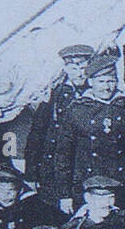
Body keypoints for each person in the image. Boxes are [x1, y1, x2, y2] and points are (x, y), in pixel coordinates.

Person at [53, 53, 125, 215]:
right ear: (90, 82)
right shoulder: (76, 109)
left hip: (124, 187)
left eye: (111, 81)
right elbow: (63, 155)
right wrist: (64, 195)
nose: (106, 87)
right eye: (101, 82)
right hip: (87, 187)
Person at [25, 44, 94, 199]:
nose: (80, 74)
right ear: (66, 69)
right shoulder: (53, 95)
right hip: (55, 166)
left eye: (83, 67)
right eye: (74, 69)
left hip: (85, 165)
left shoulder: (97, 92)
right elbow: (37, 134)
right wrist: (31, 174)